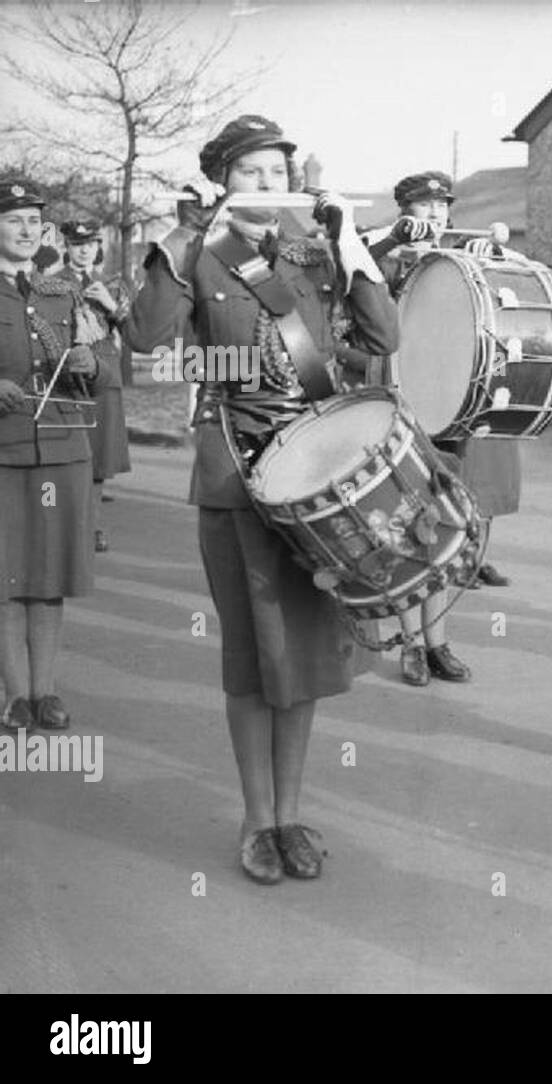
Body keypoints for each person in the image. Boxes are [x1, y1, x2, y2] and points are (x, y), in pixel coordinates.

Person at [126, 115, 399, 884]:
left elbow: (385, 338)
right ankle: (257, 821)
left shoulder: (314, 255)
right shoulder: (202, 254)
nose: (268, 186)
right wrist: (178, 243)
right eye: (250, 173)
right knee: (254, 658)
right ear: (221, 182)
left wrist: (352, 247)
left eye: (277, 173)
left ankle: (292, 813)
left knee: (303, 654)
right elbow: (146, 338)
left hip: (315, 479)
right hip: (237, 478)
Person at [366, 170, 522, 687]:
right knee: (407, 532)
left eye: (440, 207)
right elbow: (358, 287)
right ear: (403, 208)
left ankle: (438, 641)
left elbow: (499, 299)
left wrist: (487, 257)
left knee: (448, 529)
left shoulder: (457, 258)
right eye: (422, 205)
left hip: (449, 409)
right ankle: (410, 643)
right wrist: (392, 242)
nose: (433, 215)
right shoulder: (383, 255)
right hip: (399, 405)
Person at [0, 180, 102, 732]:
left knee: (49, 577)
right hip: (5, 450)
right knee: (6, 578)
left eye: (33, 221)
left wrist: (90, 364)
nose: (25, 230)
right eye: (13, 219)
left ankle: (46, 692)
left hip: (64, 448)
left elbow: (101, 373)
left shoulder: (64, 293)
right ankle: (15, 696)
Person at [56, 219, 132, 552]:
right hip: (69, 375)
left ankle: (93, 526)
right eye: (76, 244)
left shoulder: (114, 284)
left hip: (105, 375)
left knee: (99, 457)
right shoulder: (52, 282)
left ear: (98, 246)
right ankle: (67, 524)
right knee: (68, 451)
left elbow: (136, 332)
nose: (84, 250)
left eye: (90, 244)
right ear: (66, 247)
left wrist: (112, 306)